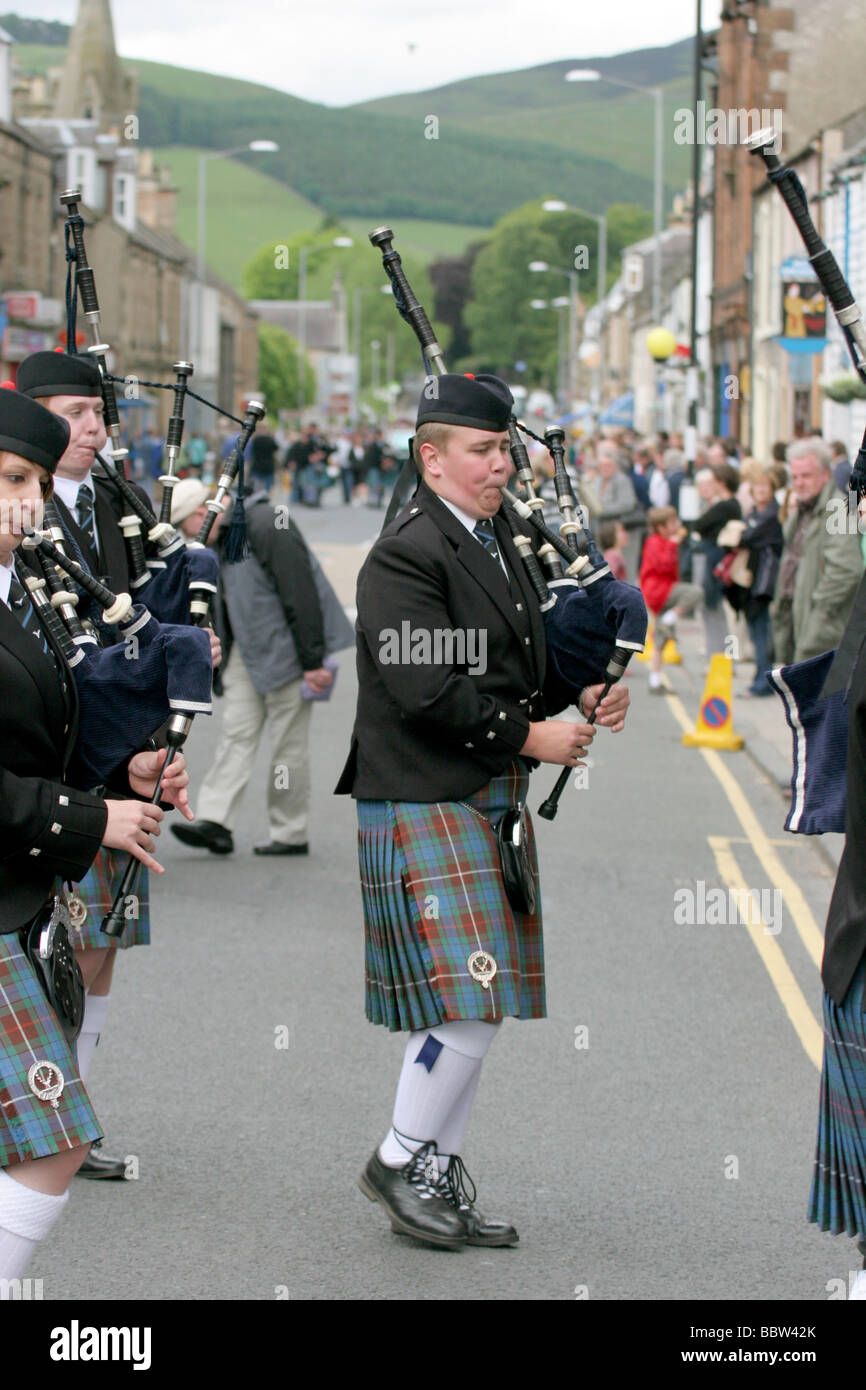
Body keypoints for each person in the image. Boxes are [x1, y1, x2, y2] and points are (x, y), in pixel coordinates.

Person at [336, 373, 630, 1249]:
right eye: (482, 450)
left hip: (478, 793)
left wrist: (577, 691)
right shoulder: (406, 554)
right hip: (424, 787)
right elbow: (425, 689)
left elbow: (511, 663)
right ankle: (397, 1160)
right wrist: (530, 738)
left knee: (471, 999)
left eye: (504, 448)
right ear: (431, 458)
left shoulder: (496, 536)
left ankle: (429, 1171)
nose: (501, 465)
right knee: (472, 991)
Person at [0, 386, 190, 1294]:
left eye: (28, 480)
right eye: (1, 478)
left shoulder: (22, 593)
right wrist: (93, 819)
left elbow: (44, 732)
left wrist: (130, 776)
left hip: (20, 896)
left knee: (49, 1140)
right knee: (54, 1139)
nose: (19, 500)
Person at [14, 350, 220, 1180]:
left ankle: (73, 1110)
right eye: (75, 411)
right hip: (55, 761)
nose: (95, 427)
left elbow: (140, 619)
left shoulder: (113, 505)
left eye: (100, 412)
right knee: (51, 948)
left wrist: (187, 644)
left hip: (116, 757)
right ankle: (40, 1108)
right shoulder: (26, 518)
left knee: (98, 952)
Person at [171, 482, 353, 857]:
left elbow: (300, 590)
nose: (188, 534)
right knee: (235, 734)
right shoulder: (220, 538)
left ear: (199, 513)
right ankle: (216, 821)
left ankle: (290, 831)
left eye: (183, 525)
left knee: (288, 747)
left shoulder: (268, 522)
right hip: (246, 652)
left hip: (289, 651)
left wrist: (313, 661)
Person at [771, 438, 863, 665]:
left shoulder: (839, 511)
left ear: (825, 475)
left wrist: (818, 621)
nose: (799, 483)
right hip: (795, 624)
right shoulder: (800, 511)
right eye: (795, 477)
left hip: (823, 637)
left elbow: (846, 571)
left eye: (807, 476)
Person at [728, 471, 783, 697]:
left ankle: (763, 682)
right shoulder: (754, 512)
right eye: (757, 486)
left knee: (761, 632)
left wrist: (738, 534)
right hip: (751, 579)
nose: (761, 491)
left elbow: (745, 537)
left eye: (765, 486)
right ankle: (760, 677)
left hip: (763, 582)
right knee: (756, 631)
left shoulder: (771, 515)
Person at [638, 506, 704, 693]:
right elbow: (663, 565)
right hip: (659, 590)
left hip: (662, 590)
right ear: (661, 527)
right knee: (695, 592)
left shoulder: (662, 541)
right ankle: (671, 617)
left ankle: (655, 679)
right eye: (672, 523)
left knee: (661, 638)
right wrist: (673, 544)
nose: (677, 525)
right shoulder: (656, 542)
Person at [685, 463, 741, 658]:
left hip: (716, 561)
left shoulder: (725, 506)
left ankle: (721, 656)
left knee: (714, 610)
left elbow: (699, 525)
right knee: (712, 610)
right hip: (716, 559)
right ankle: (717, 654)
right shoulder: (725, 505)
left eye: (714, 482)